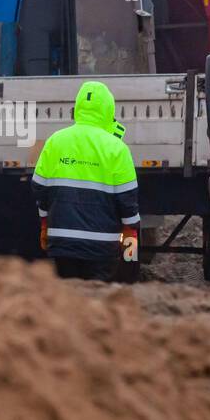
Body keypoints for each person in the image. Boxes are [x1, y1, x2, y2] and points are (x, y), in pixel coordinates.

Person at [31, 80, 140, 281]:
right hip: (102, 247)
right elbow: (128, 200)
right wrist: (131, 235)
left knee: (68, 298)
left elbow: (39, 188)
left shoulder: (56, 141)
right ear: (108, 110)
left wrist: (45, 224)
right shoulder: (117, 148)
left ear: (77, 107)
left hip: (62, 244)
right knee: (97, 300)